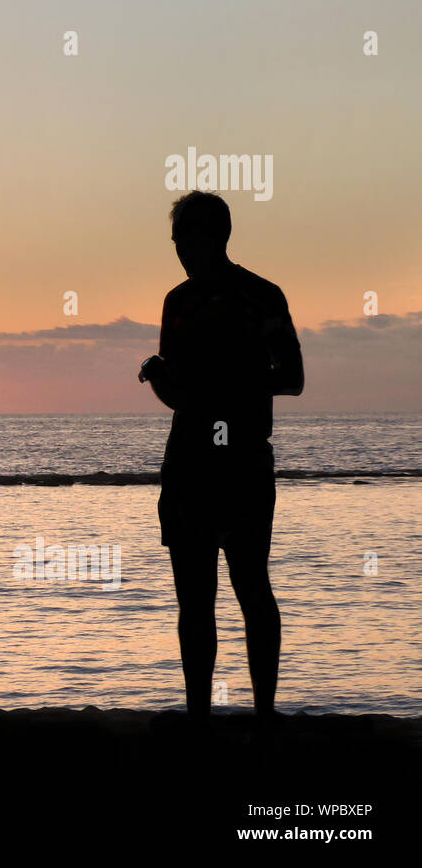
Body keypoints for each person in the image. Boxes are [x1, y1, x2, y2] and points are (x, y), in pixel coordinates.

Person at [139, 191, 303, 722]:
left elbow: (293, 378)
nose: (179, 253)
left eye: (184, 241)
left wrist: (227, 380)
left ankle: (264, 715)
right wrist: (161, 379)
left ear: (213, 237)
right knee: (195, 601)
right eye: (175, 244)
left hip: (243, 463)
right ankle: (197, 717)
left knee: (252, 588)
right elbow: (181, 397)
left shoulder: (262, 297)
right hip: (188, 462)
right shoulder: (176, 303)